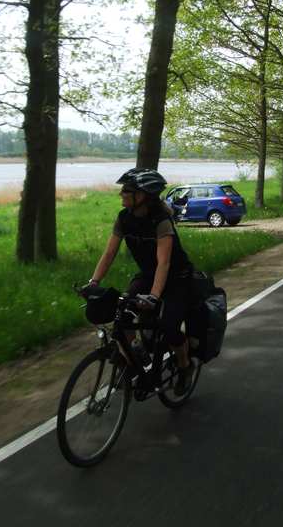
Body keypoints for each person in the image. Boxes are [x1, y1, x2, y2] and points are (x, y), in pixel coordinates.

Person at [85, 168, 196, 395]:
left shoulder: (161, 220)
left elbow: (164, 263)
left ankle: (185, 366)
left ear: (143, 195)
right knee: (122, 315)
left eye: (127, 191)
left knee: (168, 326)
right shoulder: (124, 218)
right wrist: (93, 282)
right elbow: (109, 254)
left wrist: (154, 297)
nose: (121, 194)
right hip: (148, 275)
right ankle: (136, 357)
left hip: (178, 278)